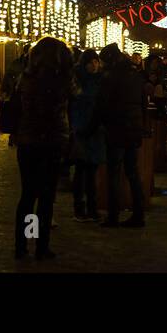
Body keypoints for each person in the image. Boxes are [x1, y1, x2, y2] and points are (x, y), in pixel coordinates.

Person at [13, 36, 74, 259]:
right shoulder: (61, 81)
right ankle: (40, 245)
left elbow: (16, 109)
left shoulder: (26, 79)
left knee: (28, 195)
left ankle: (23, 244)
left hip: (28, 142)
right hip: (51, 142)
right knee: (46, 197)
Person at [88, 44, 147, 228]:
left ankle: (113, 215)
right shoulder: (135, 75)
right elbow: (142, 102)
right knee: (133, 173)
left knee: (113, 174)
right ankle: (139, 214)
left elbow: (101, 106)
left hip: (116, 128)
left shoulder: (110, 77)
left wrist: (91, 127)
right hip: (133, 128)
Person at [70, 49, 106, 221]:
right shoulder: (77, 81)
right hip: (81, 130)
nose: (94, 65)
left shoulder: (100, 81)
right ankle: (79, 207)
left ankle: (92, 207)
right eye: (91, 62)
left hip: (95, 130)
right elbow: (74, 106)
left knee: (92, 171)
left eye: (96, 61)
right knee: (81, 170)